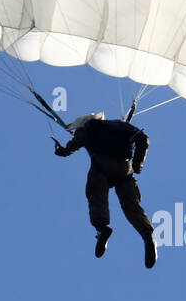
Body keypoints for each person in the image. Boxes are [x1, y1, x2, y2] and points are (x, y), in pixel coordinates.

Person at [53, 112, 158, 268]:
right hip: (124, 169)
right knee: (131, 205)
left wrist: (63, 151)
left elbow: (75, 143)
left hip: (102, 166)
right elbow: (143, 139)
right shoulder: (122, 125)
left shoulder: (88, 128)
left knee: (96, 195)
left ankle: (102, 228)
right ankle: (148, 236)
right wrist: (137, 164)